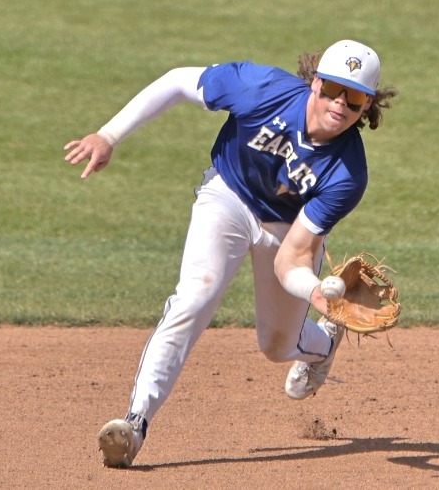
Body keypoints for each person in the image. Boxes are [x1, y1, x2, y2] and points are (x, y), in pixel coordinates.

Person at [63, 39, 397, 468]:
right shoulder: (261, 89)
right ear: (316, 83)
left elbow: (289, 259)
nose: (340, 104)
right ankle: (135, 424)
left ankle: (323, 341)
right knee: (194, 298)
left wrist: (316, 292)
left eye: (354, 97)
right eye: (334, 88)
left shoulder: (347, 174)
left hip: (285, 228)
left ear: (366, 104)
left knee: (277, 347)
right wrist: (109, 135)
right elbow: (177, 82)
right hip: (228, 196)